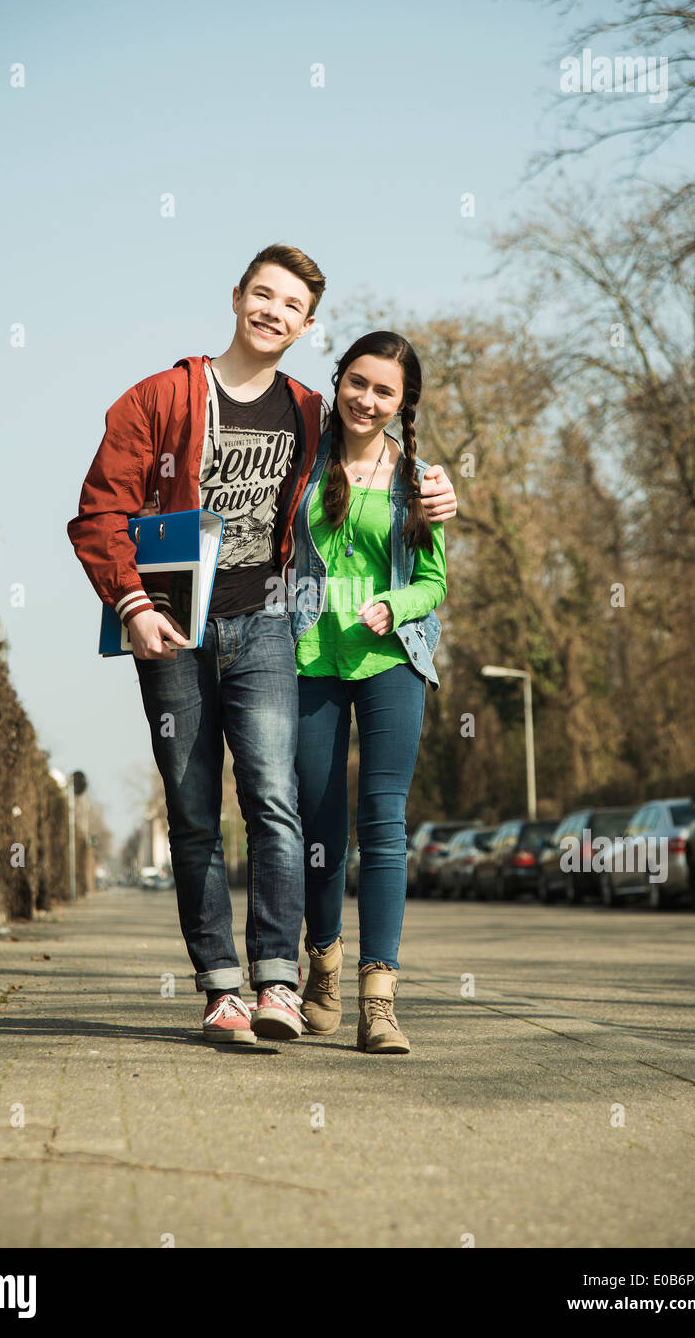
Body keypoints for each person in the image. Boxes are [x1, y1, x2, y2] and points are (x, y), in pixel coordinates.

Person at [67, 246, 457, 1047]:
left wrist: (438, 484)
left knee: (274, 801)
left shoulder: (308, 411)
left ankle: (278, 980)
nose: (273, 312)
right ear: (237, 297)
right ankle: (219, 991)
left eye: (291, 305)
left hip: (271, 625)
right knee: (192, 810)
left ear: (307, 326)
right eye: (262, 295)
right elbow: (99, 512)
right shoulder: (162, 398)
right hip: (172, 628)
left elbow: (377, 449)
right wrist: (132, 603)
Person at [291, 331, 446, 1054]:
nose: (366, 399)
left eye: (384, 390)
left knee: (382, 823)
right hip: (308, 657)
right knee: (317, 826)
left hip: (392, 661)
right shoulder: (301, 457)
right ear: (340, 380)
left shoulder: (419, 478)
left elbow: (433, 582)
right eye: (357, 382)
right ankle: (321, 964)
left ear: (402, 402)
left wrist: (396, 605)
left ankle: (378, 1001)